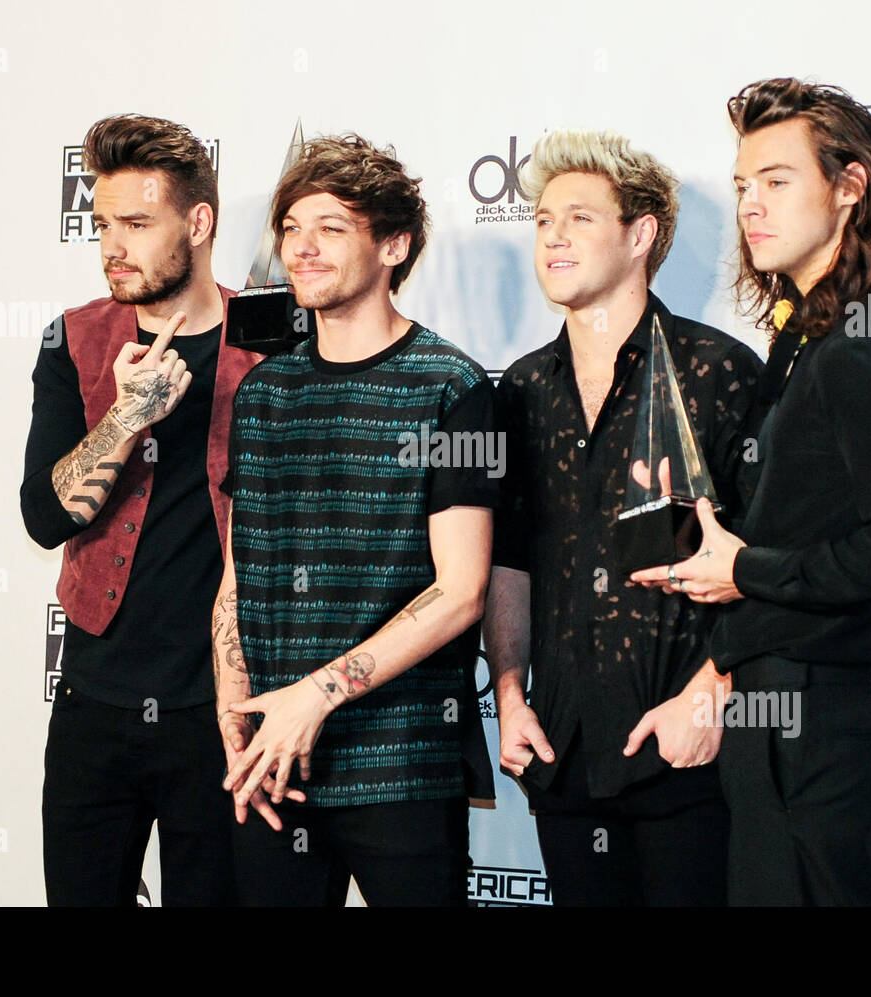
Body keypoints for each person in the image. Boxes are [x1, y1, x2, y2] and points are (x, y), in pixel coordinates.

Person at [644, 78, 871, 905]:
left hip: (826, 712)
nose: (752, 203)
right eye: (744, 184)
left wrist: (744, 571)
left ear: (849, 189)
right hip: (786, 701)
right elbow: (809, 519)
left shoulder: (864, 346)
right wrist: (689, 544)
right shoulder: (808, 340)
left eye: (778, 181)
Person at [214, 134, 496, 907]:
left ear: (394, 245)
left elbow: (463, 590)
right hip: (274, 764)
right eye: (293, 228)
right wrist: (235, 719)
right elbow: (241, 572)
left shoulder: (455, 386)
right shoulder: (263, 394)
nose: (303, 248)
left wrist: (317, 696)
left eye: (331, 227)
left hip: (401, 764)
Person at [483, 129, 764, 906]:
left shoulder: (719, 373)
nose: (553, 238)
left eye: (578, 218)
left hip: (688, 759)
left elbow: (772, 561)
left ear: (640, 235)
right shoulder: (523, 391)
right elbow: (510, 562)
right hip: (563, 754)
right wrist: (509, 695)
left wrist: (712, 691)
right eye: (541, 221)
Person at [21, 113, 260, 906]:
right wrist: (126, 417)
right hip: (95, 701)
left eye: (136, 223)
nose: (111, 245)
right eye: (101, 224)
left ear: (198, 223)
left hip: (220, 706)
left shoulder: (272, 339)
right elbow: (44, 515)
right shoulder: (76, 340)